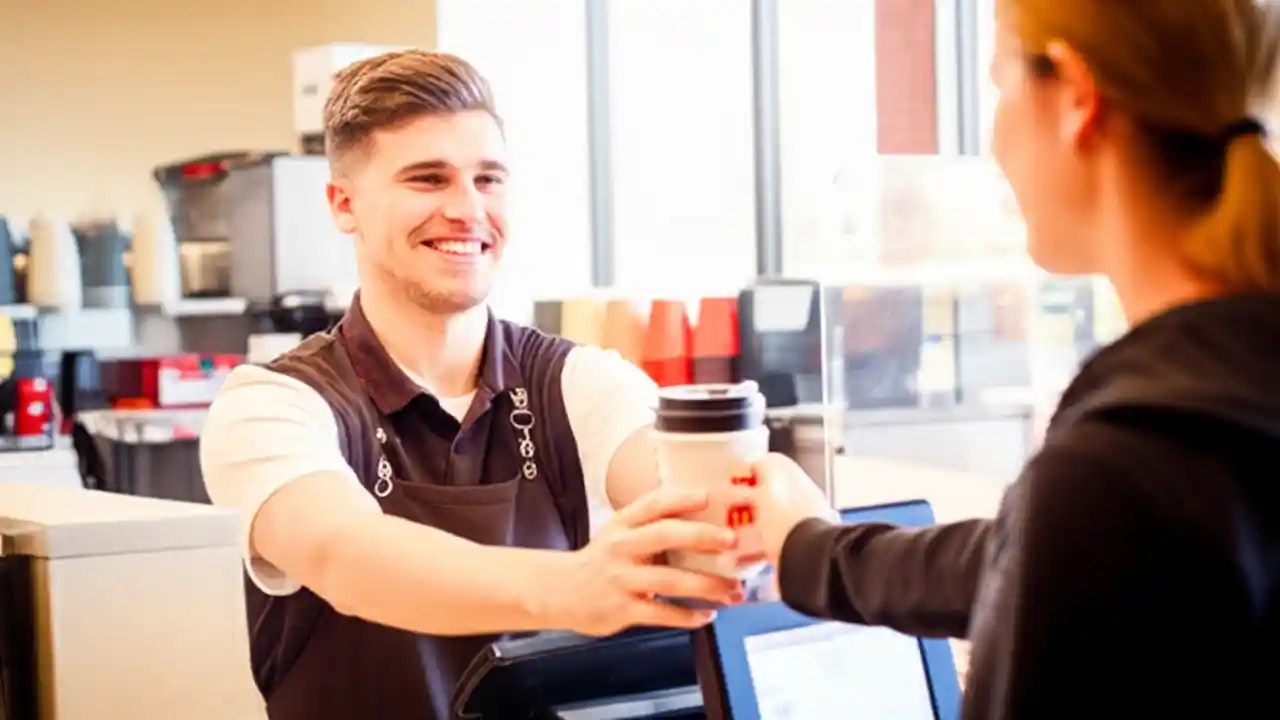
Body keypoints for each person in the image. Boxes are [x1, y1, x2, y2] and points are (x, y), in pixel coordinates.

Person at [747, 1, 1280, 717]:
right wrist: (808, 553)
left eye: (1000, 84)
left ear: (1075, 94)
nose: (995, 139)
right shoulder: (1224, 402)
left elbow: (1076, 540)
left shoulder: (1118, 472)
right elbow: (1032, 559)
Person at [198, 50, 743, 720]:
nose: (467, 209)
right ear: (344, 203)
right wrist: (575, 584)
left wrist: (781, 521)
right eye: (428, 180)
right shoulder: (273, 406)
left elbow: (690, 494)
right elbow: (347, 556)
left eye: (488, 180)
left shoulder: (580, 383)